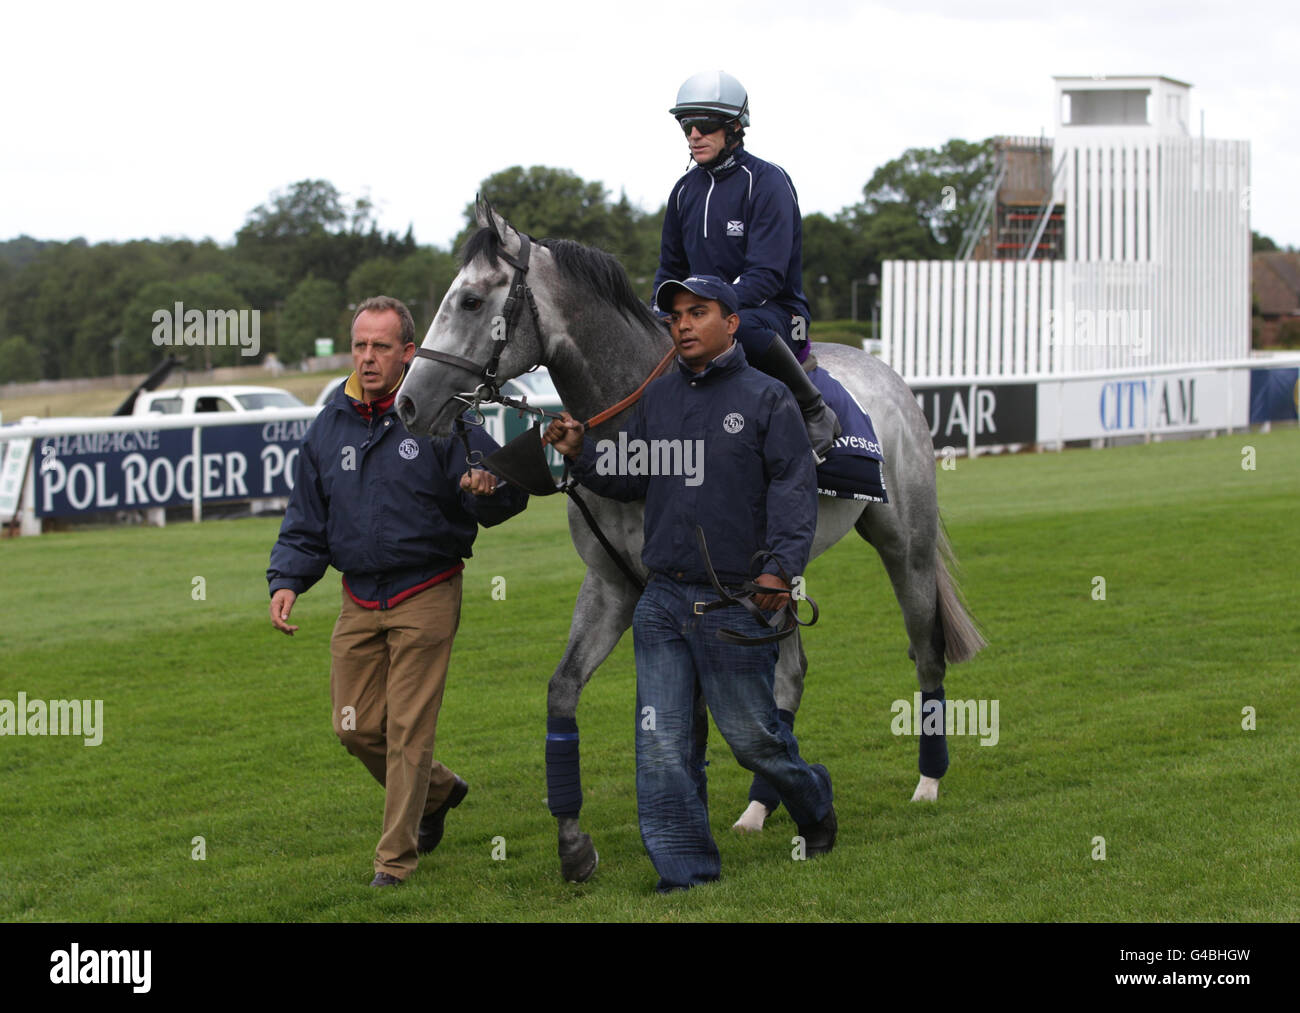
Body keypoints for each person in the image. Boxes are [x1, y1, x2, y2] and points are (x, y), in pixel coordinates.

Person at [543, 275, 836, 892]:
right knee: (660, 746)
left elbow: (793, 491)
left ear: (731, 323)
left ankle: (813, 799)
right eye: (674, 315)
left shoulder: (768, 399)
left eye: (696, 312)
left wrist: (779, 571)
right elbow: (631, 478)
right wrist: (579, 452)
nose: (681, 324)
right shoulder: (660, 399)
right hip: (663, 604)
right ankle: (686, 873)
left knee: (754, 742)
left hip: (735, 602)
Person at [267, 295, 528, 887]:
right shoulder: (328, 423)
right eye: (360, 345)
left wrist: (485, 487)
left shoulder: (445, 417)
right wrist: (287, 580)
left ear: (409, 352)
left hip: (427, 591)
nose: (368, 357)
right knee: (354, 727)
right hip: (357, 598)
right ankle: (439, 793)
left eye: (381, 346)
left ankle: (394, 862)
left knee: (409, 729)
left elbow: (501, 492)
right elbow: (306, 520)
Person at [653, 70, 840, 460]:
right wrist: (660, 312)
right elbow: (669, 269)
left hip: (775, 314)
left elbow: (767, 275)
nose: (693, 135)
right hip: (707, 314)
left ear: (735, 127)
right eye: (686, 125)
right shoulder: (683, 190)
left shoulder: (768, 181)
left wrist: (710, 312)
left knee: (743, 327)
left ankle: (814, 410)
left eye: (704, 125)